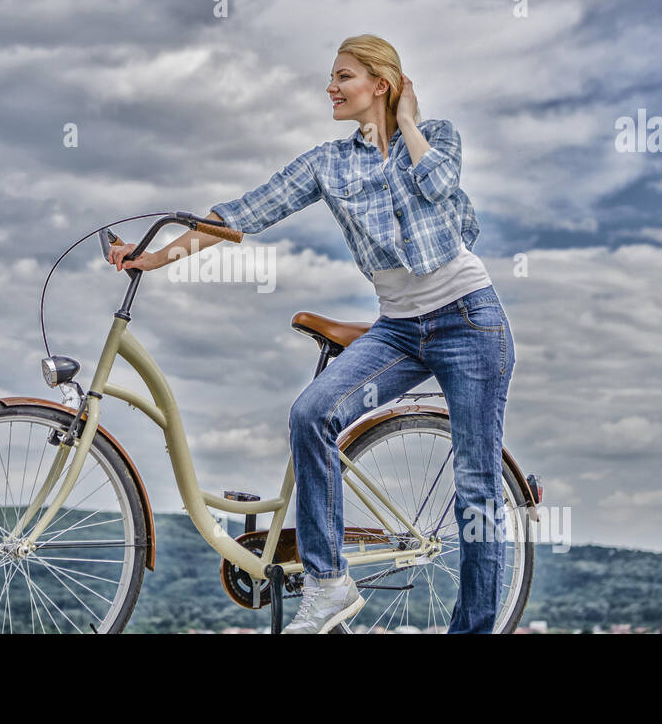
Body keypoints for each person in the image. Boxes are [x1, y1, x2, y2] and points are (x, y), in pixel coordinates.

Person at [106, 34, 515, 634]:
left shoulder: (439, 139)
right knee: (311, 414)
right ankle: (327, 583)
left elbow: (441, 191)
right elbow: (244, 213)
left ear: (380, 83)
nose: (330, 87)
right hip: (399, 330)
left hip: (470, 322)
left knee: (476, 489)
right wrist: (155, 256)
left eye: (343, 76)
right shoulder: (329, 162)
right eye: (332, 77)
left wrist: (406, 122)